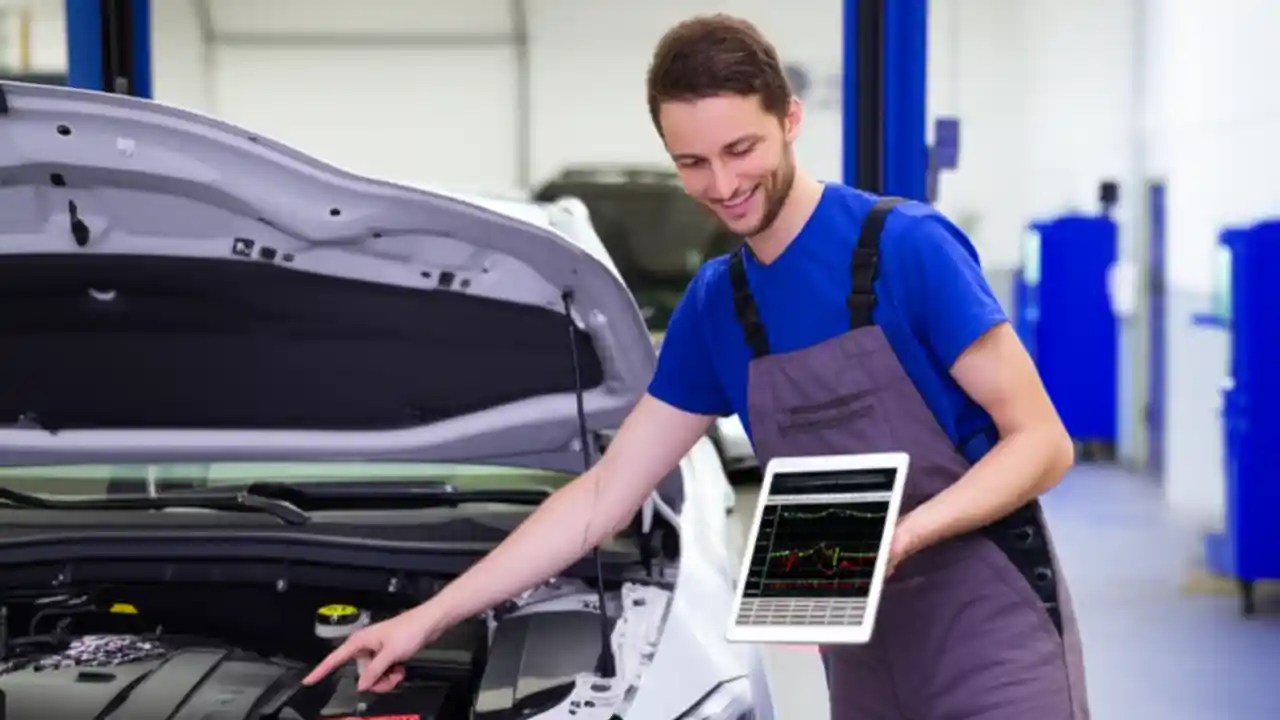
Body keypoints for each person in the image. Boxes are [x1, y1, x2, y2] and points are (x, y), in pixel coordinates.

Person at [304, 13, 1090, 719]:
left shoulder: (905, 248)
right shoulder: (718, 306)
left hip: (986, 617)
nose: (723, 185)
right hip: (858, 641)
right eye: (693, 162)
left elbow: (1042, 443)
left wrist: (905, 536)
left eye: (740, 149)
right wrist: (428, 617)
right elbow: (604, 495)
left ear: (789, 119)